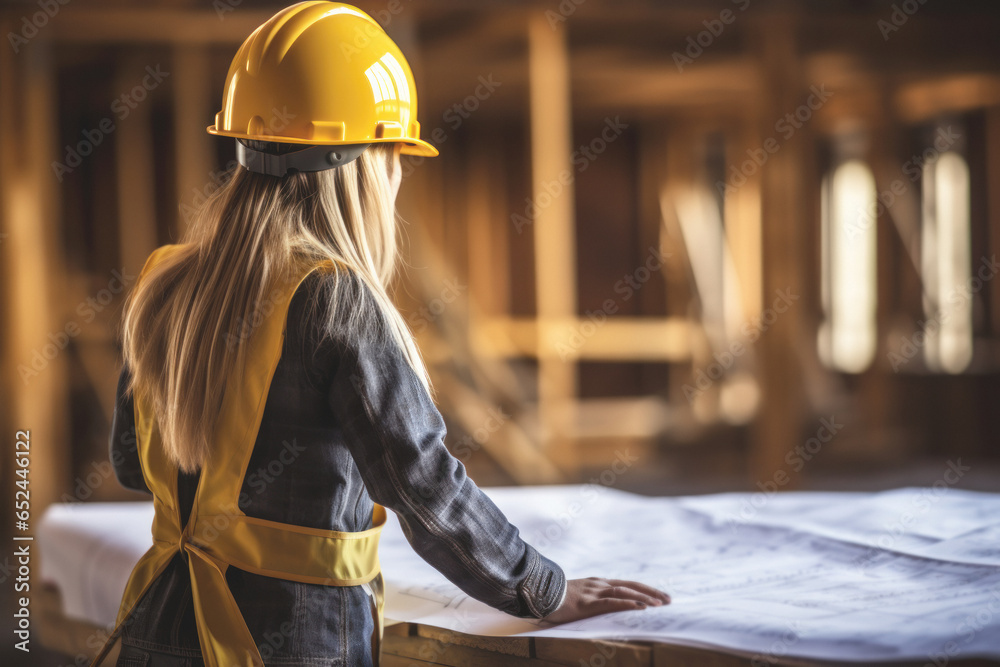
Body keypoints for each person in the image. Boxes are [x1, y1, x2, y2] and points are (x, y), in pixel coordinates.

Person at [95, 3, 669, 666]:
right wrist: (542, 587)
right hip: (286, 643)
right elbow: (426, 488)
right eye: (397, 155)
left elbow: (132, 463)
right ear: (367, 162)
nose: (398, 176)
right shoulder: (334, 301)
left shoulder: (165, 283)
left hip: (158, 627)